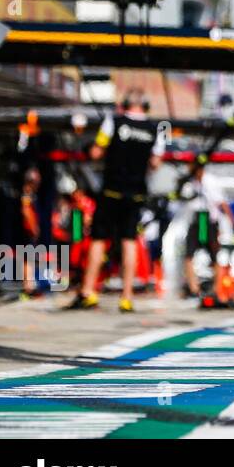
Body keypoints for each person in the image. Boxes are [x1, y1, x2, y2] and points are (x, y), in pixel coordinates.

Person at [67, 92, 164, 312]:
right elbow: (156, 162)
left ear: (123, 106)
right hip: (136, 192)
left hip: (111, 190)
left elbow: (95, 152)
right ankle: (127, 297)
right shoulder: (155, 129)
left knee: (99, 239)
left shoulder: (113, 121)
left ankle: (88, 292)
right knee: (129, 240)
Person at [180, 164, 234, 300]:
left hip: (208, 220)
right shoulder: (189, 182)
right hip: (195, 220)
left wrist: (232, 222)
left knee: (215, 255)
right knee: (188, 255)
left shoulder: (210, 181)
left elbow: (221, 202)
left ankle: (216, 289)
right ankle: (194, 288)